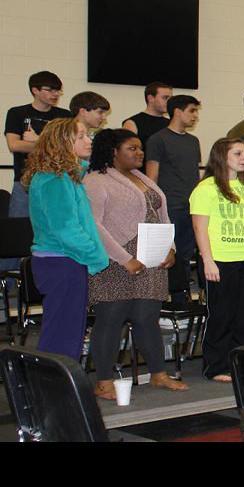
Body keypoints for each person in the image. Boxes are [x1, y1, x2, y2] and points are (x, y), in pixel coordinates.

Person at [83, 129, 188, 398]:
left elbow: (163, 215)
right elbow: (94, 225)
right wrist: (123, 258)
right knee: (111, 319)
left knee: (147, 318)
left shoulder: (144, 179)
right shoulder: (96, 180)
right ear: (113, 151)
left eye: (140, 148)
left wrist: (170, 248)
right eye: (132, 148)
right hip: (116, 258)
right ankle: (104, 381)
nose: (139, 152)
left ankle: (158, 374)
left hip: (151, 255)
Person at [21, 118, 108, 360]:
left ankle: (55, 389)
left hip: (67, 261)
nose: (88, 140)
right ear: (62, 142)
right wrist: (97, 256)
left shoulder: (66, 177)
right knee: (62, 335)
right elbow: (66, 229)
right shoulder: (54, 179)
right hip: (61, 262)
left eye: (87, 135)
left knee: (68, 332)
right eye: (80, 136)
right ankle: (53, 391)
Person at [190, 138, 244, 382]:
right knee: (222, 314)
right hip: (222, 259)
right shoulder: (206, 188)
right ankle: (216, 366)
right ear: (221, 157)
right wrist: (208, 260)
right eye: (237, 153)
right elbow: (199, 227)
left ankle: (242, 362)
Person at [145, 95, 202, 304]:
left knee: (186, 255)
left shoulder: (193, 141)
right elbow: (152, 177)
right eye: (192, 111)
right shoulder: (158, 139)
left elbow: (195, 175)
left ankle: (181, 300)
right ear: (177, 111)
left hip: (191, 206)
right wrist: (154, 210)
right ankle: (168, 303)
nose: (195, 116)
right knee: (169, 255)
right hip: (170, 207)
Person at [4, 71, 72, 219]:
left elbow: (68, 148)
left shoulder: (65, 115)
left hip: (56, 180)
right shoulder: (17, 113)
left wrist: (37, 140)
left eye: (58, 90)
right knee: (19, 229)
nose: (55, 94)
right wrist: (52, 145)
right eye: (50, 90)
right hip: (24, 182)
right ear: (35, 90)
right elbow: (14, 145)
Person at [122, 81, 172, 152]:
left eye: (171, 98)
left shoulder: (171, 123)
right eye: (165, 98)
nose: (169, 102)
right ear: (151, 98)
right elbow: (127, 153)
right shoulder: (132, 123)